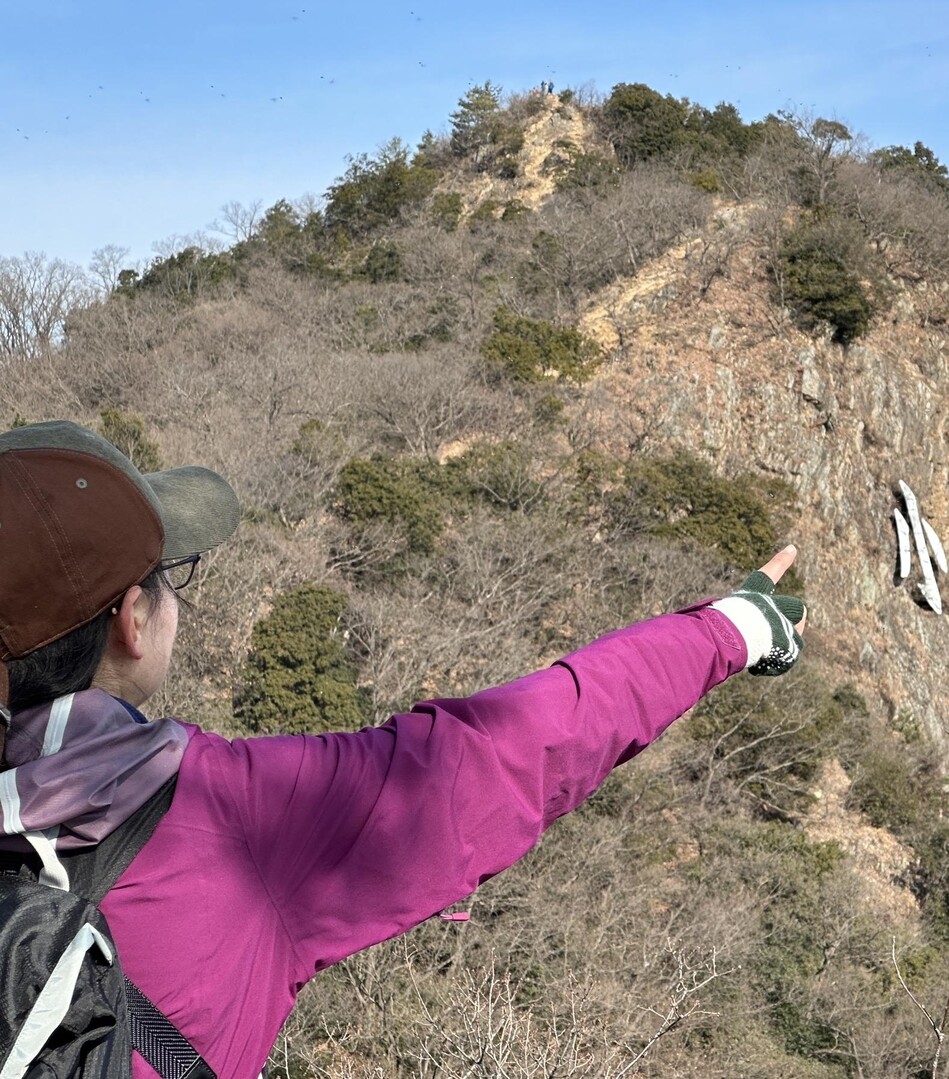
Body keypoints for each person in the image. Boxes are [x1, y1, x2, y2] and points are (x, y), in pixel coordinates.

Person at [0, 420, 806, 1079]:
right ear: (131, 622)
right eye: (172, 573)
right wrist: (731, 627)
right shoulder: (229, 820)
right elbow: (513, 749)